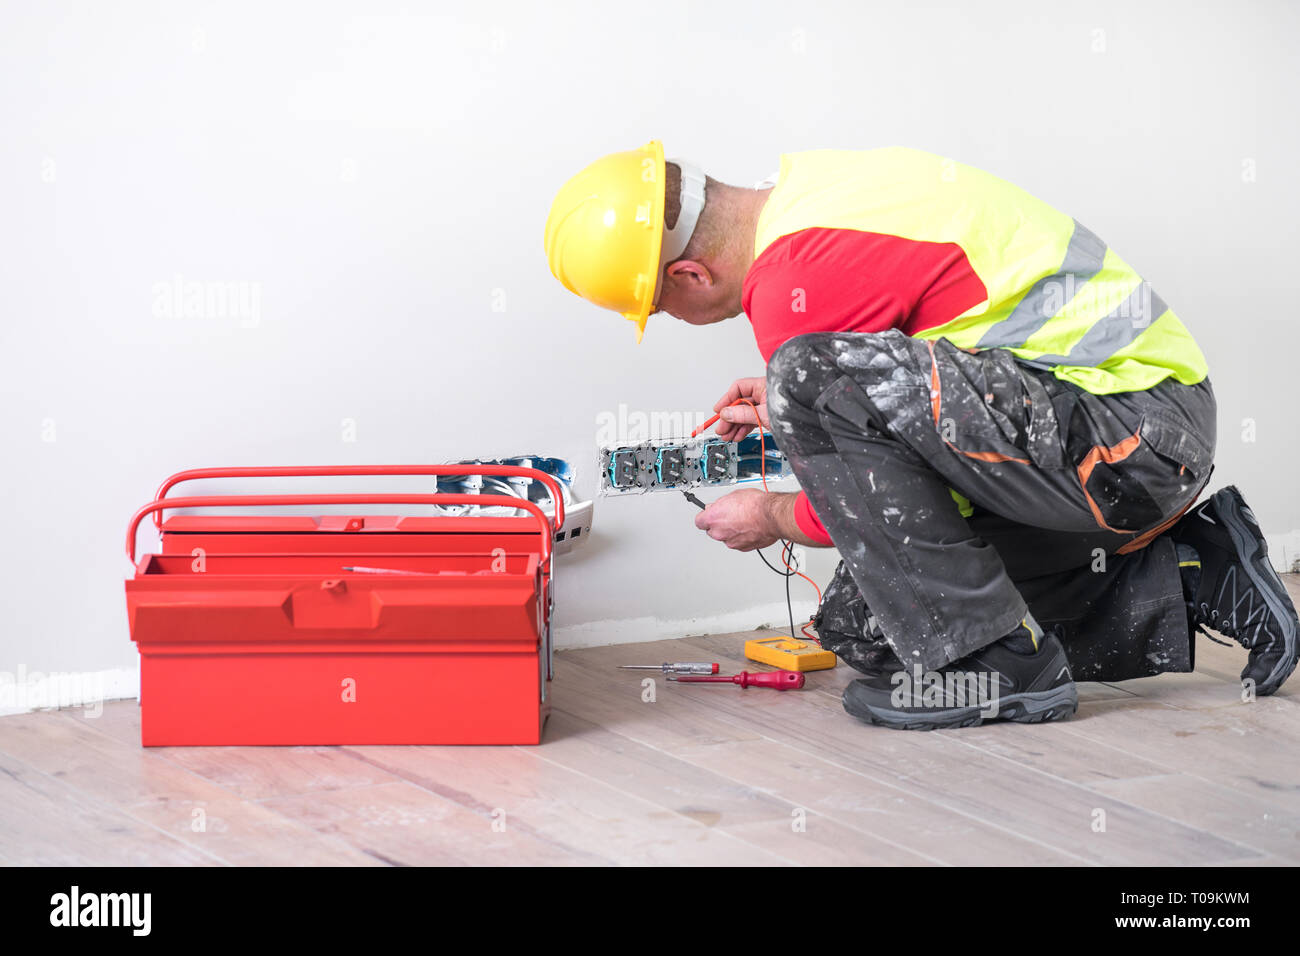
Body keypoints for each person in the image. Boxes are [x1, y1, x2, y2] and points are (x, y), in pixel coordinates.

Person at [543, 141, 1298, 730]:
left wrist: (775, 514)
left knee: (807, 376)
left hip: (1135, 433)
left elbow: (876, 484)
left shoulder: (787, 289)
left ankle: (1005, 670)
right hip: (1115, 429)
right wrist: (803, 418)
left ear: (690, 275)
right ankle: (1195, 571)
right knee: (873, 633)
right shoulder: (814, 189)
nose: (677, 319)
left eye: (664, 308)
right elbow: (929, 415)